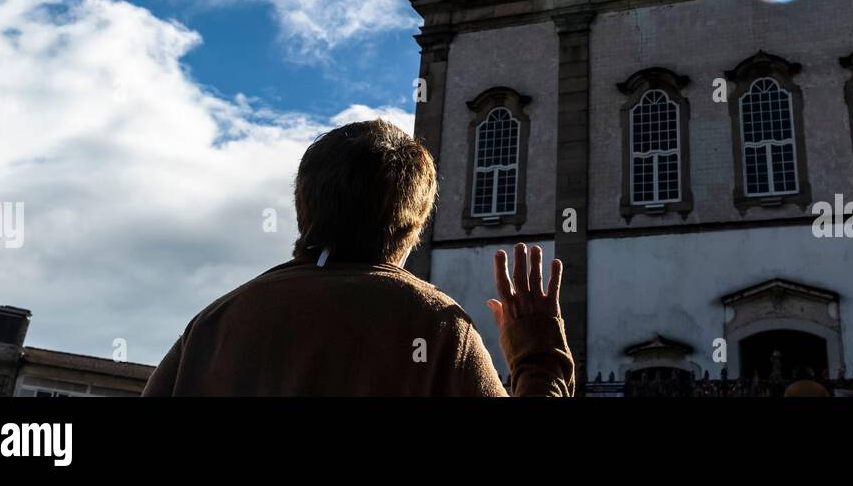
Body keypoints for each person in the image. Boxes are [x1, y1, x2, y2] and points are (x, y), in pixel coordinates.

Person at [143, 120, 574, 396]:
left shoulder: (213, 323)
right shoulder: (439, 327)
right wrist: (538, 357)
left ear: (303, 208)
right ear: (413, 228)